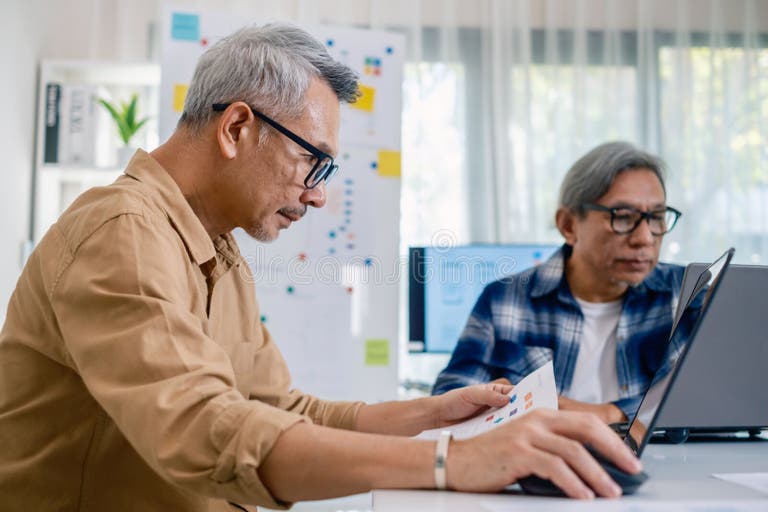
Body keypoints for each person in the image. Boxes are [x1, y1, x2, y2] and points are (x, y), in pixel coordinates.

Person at [0, 25, 641, 510]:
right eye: (316, 161)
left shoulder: (217, 250)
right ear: (237, 128)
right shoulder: (122, 232)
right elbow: (206, 428)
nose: (318, 195)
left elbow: (281, 406)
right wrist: (454, 462)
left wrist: (432, 419)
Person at [433, 142, 685, 425]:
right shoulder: (504, 300)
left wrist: (613, 413)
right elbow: (447, 404)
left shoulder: (685, 295)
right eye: (623, 217)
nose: (645, 238)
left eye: (656, 218)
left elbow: (708, 396)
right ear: (568, 225)